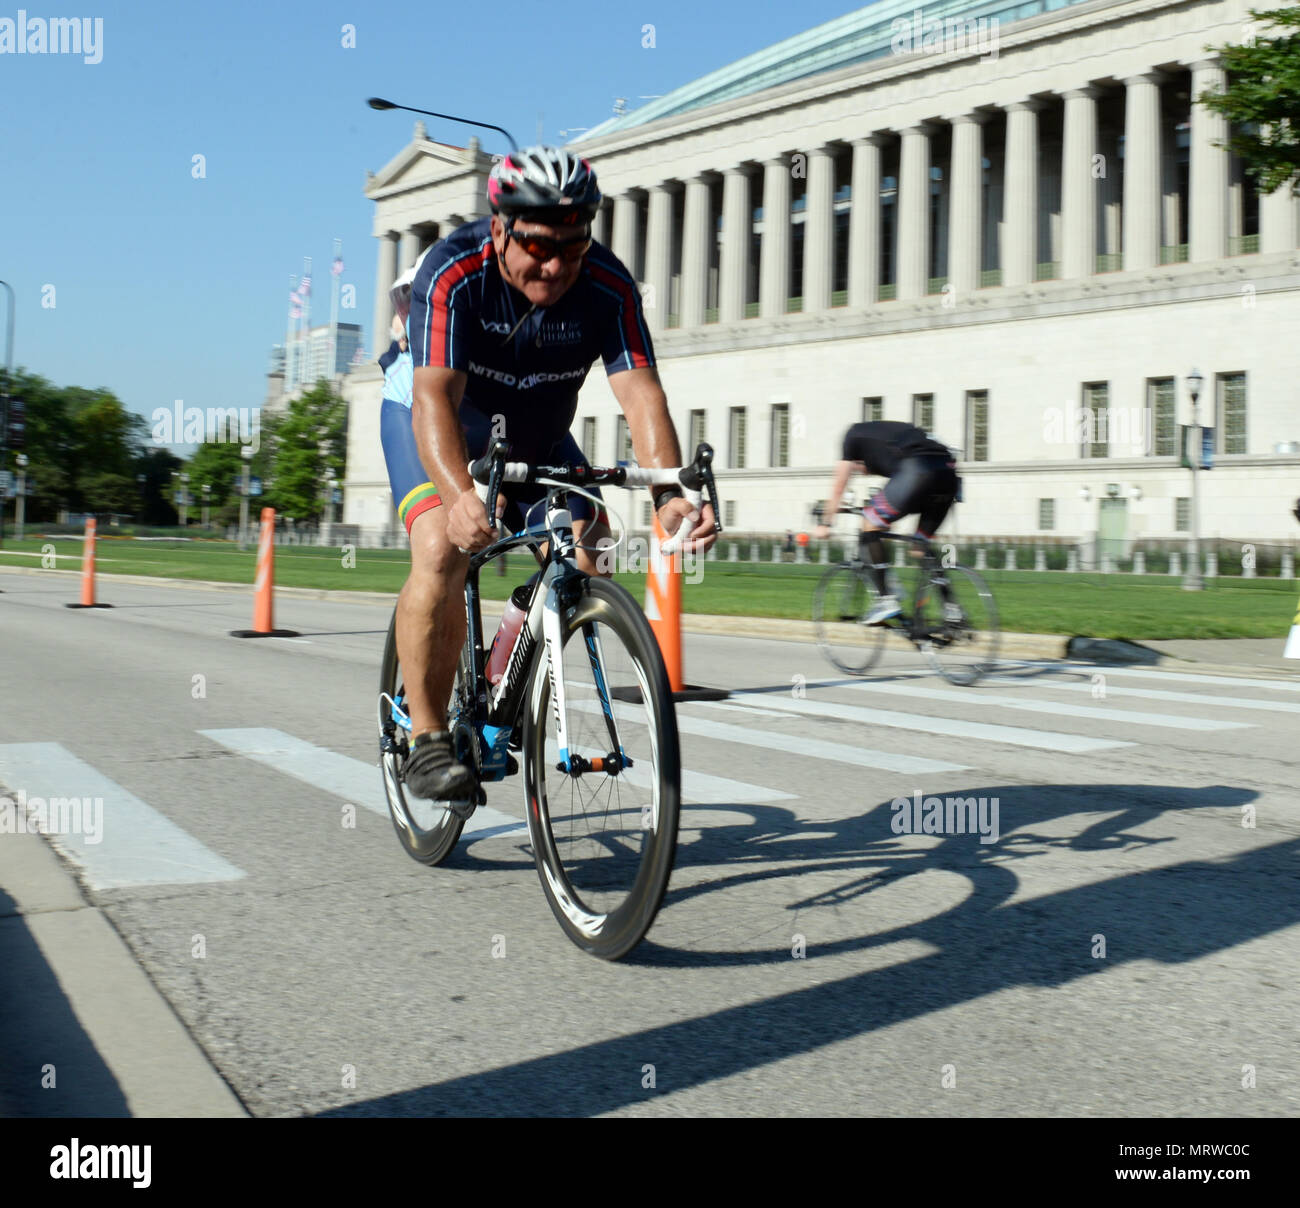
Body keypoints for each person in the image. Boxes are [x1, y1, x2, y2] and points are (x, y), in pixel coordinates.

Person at [385, 145, 717, 801]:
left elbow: (642, 395)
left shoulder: (607, 283)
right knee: (439, 547)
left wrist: (669, 493)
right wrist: (457, 495)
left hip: (535, 431)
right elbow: (433, 401)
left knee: (588, 551)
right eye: (538, 247)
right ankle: (425, 739)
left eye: (573, 244)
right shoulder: (454, 270)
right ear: (501, 227)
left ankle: (510, 652)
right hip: (443, 419)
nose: (557, 264)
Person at [813, 420, 959, 624]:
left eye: (857, 469)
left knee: (869, 523)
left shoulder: (852, 437)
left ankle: (885, 600)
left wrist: (826, 523)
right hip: (948, 476)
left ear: (857, 458)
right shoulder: (889, 439)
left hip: (918, 470)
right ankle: (952, 610)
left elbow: (839, 485)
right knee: (919, 547)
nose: (861, 472)